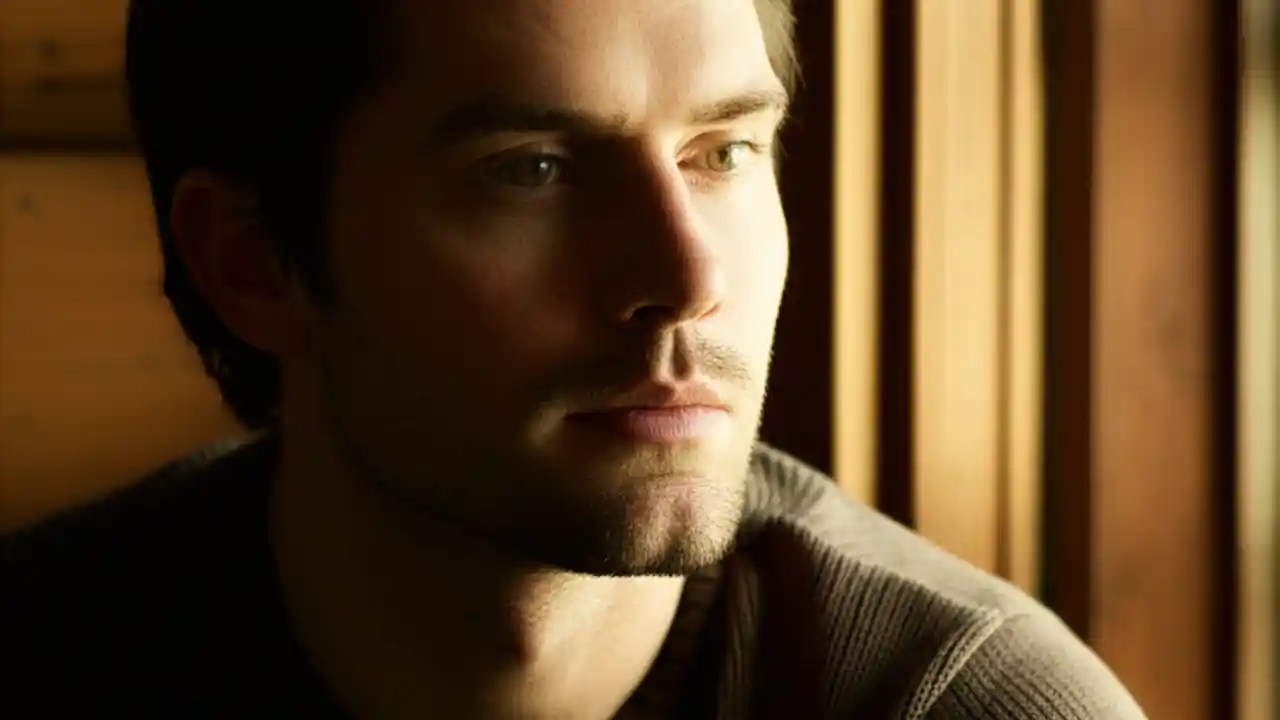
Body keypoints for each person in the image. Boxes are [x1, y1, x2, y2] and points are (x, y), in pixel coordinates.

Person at [1, 0, 1146, 717]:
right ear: (254, 263)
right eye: (533, 168)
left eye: (724, 151)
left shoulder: (967, 704)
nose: (688, 277)